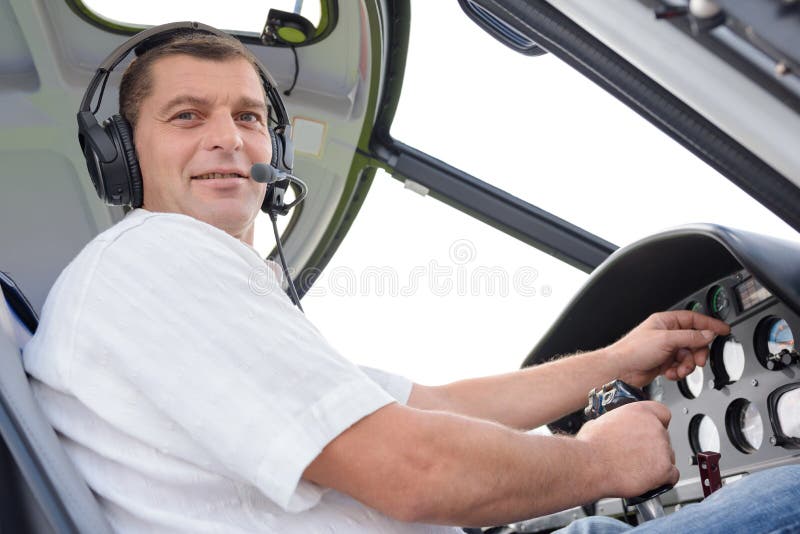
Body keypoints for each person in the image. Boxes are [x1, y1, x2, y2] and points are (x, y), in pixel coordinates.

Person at [22, 24, 799, 534]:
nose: (228, 138)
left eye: (249, 116)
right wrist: (604, 462)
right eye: (187, 116)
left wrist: (611, 361)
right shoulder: (151, 262)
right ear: (118, 153)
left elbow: (428, 408)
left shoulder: (187, 295)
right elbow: (414, 468)